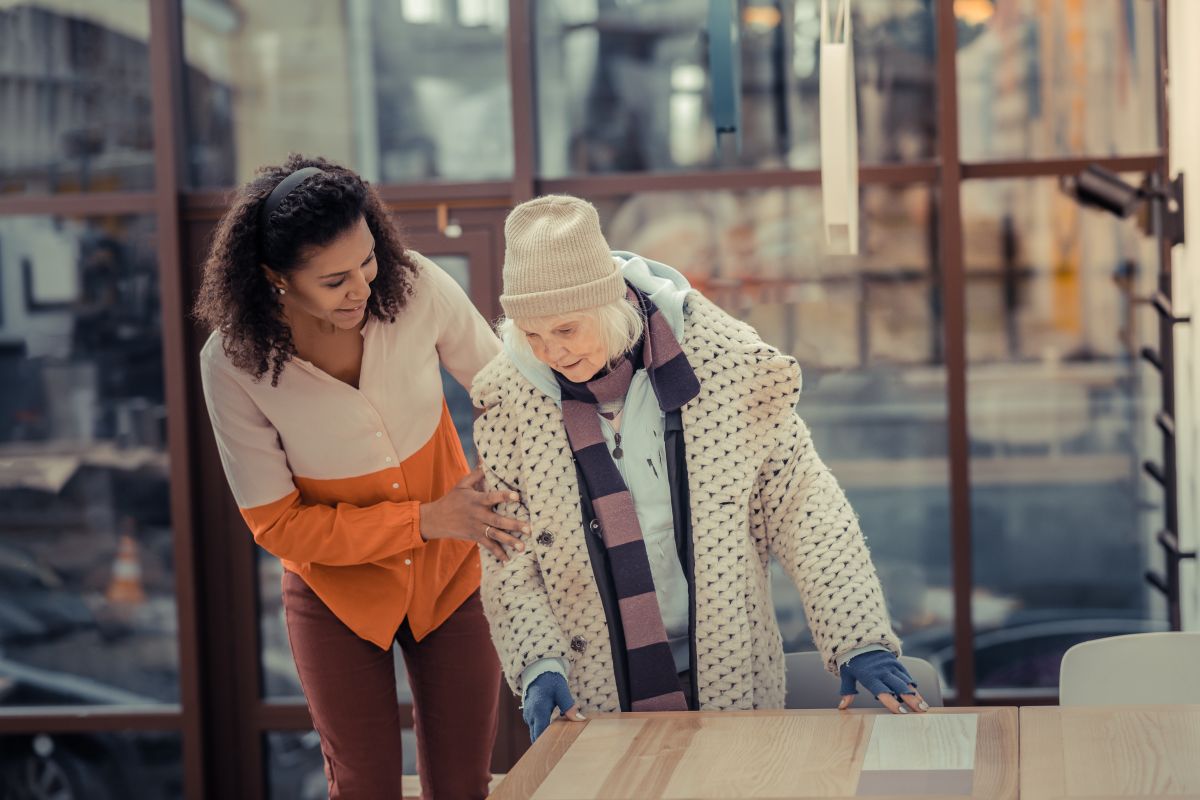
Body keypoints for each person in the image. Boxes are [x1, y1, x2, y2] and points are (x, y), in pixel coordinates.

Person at [471, 195, 927, 743]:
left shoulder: (728, 366)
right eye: (534, 336)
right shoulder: (509, 404)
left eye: (567, 330)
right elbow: (508, 552)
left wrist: (858, 637)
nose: (551, 353)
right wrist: (537, 662)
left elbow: (805, 504)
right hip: (592, 682)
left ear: (610, 308)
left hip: (728, 661)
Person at [195, 155, 527, 798]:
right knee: (364, 783)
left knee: (462, 784)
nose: (363, 287)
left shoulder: (417, 285)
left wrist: (511, 487)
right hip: (336, 600)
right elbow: (277, 524)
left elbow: (507, 391)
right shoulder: (231, 364)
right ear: (275, 279)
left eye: (368, 259)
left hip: (452, 579)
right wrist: (426, 520)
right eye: (334, 279)